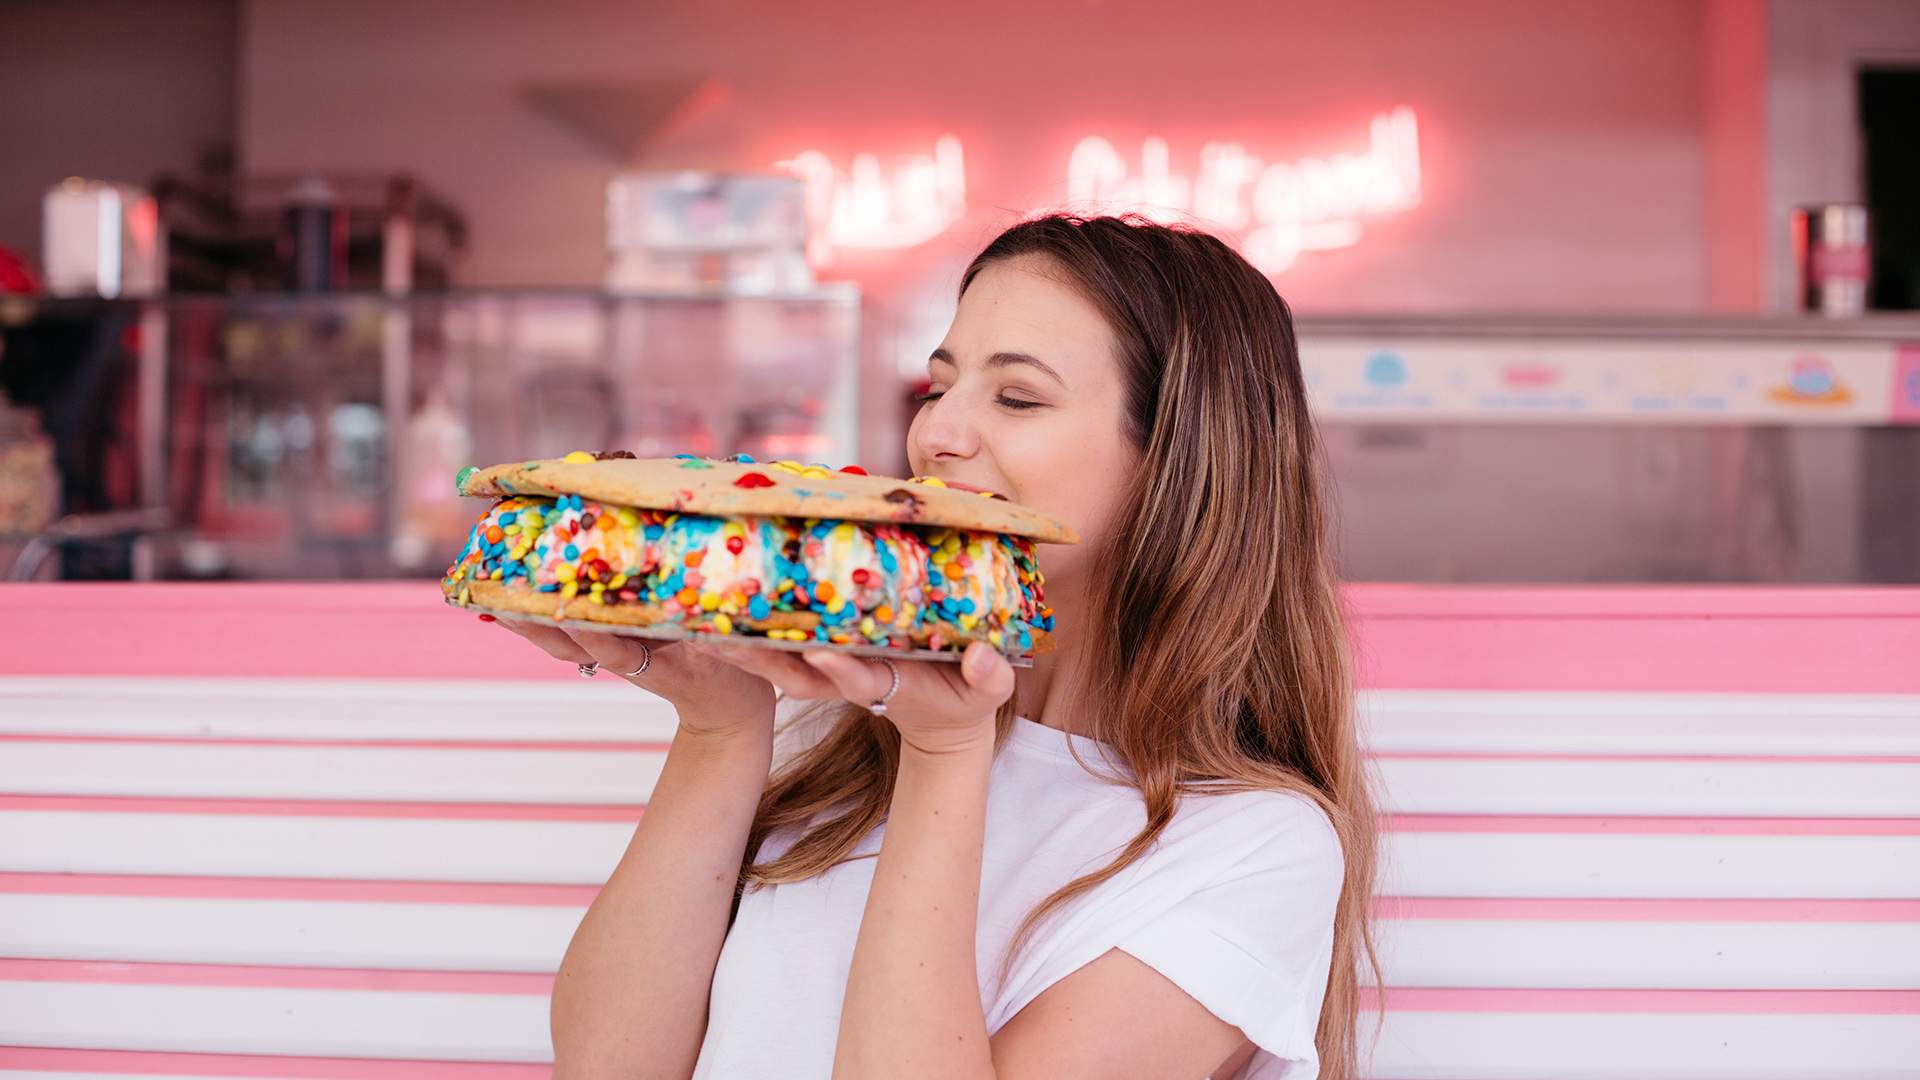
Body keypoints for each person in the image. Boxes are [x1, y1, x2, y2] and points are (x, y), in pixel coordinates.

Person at [502, 212, 1379, 1080]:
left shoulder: (1254, 846)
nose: (936, 438)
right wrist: (721, 727)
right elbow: (610, 1064)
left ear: (1181, 465)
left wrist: (945, 751)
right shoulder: (839, 728)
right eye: (938, 389)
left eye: (1017, 397)